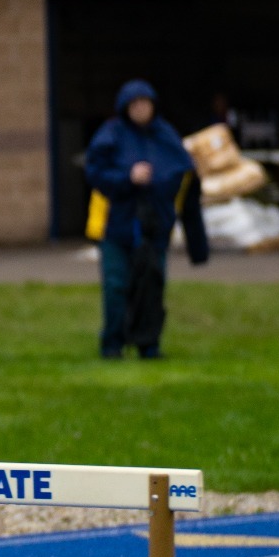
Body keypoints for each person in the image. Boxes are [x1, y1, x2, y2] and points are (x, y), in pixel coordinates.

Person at [85, 80, 207, 359]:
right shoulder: (111, 135)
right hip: (117, 227)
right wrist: (129, 178)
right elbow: (96, 173)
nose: (140, 109)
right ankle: (112, 345)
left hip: (155, 229)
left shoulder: (165, 136)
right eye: (134, 104)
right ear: (125, 107)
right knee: (116, 287)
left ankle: (148, 344)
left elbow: (184, 180)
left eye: (145, 103)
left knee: (152, 286)